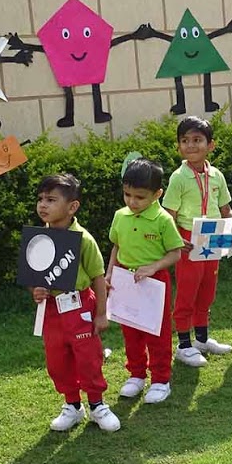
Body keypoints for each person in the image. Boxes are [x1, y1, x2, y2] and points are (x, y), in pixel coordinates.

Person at [31, 173, 119, 434]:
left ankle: (97, 405)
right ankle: (72, 405)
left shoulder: (84, 239)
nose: (43, 205)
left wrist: (101, 314)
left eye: (51, 200)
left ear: (72, 207)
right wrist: (35, 291)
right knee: (57, 361)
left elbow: (98, 278)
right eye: (40, 199)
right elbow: (33, 276)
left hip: (80, 306)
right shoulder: (37, 239)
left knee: (88, 358)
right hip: (51, 311)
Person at [162, 116, 232, 367]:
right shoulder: (178, 178)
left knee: (207, 290)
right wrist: (178, 241)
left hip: (213, 238)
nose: (191, 146)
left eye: (197, 140)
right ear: (178, 146)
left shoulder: (216, 176)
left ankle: (202, 339)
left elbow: (225, 210)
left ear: (210, 145)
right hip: (188, 240)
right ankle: (184, 345)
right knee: (187, 292)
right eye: (185, 141)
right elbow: (167, 216)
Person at [109, 158, 183, 405]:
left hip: (154, 282)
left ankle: (161, 379)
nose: (132, 202)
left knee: (157, 332)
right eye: (127, 194)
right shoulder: (120, 216)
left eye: (139, 197)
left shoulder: (163, 220)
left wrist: (153, 267)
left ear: (157, 194)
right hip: (124, 279)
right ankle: (136, 374)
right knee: (130, 330)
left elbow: (175, 253)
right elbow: (116, 246)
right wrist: (110, 273)